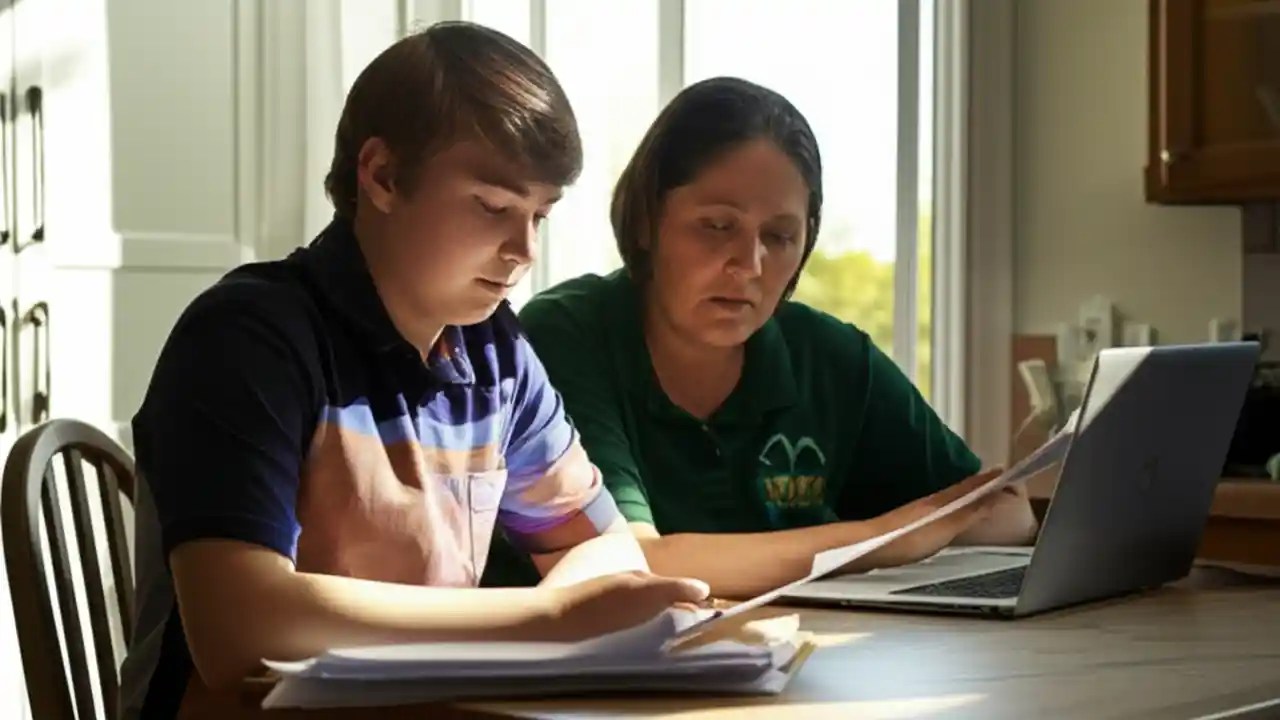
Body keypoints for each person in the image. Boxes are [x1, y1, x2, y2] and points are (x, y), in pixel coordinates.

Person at [119, 23, 706, 719]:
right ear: (383, 177)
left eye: (539, 215)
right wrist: (547, 621)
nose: (523, 250)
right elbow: (239, 628)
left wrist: (565, 606)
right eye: (492, 206)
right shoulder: (249, 338)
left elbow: (608, 552)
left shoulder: (495, 354)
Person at [493, 77, 1038, 599]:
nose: (749, 265)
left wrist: (912, 531)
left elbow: (1003, 514)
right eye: (717, 226)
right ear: (646, 222)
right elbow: (628, 562)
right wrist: (882, 538)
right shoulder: (567, 334)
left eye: (779, 237)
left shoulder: (831, 357)